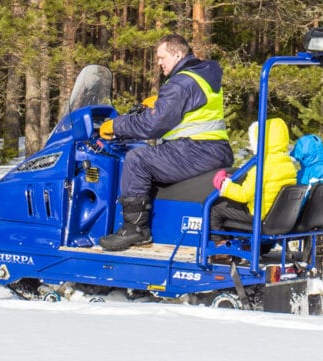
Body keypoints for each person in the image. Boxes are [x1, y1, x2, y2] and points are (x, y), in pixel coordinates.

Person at [98, 34, 233, 250]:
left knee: (137, 159)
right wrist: (161, 103)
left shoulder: (181, 82)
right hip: (213, 150)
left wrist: (116, 126)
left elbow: (152, 125)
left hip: (196, 150)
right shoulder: (200, 75)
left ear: (177, 54)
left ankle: (135, 230)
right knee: (150, 157)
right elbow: (188, 112)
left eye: (162, 57)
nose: (159, 63)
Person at [209, 119, 298, 230]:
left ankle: (217, 239)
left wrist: (224, 185)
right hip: (276, 215)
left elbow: (244, 195)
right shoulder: (287, 164)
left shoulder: (262, 167)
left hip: (259, 214)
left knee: (216, 208)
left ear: (263, 141)